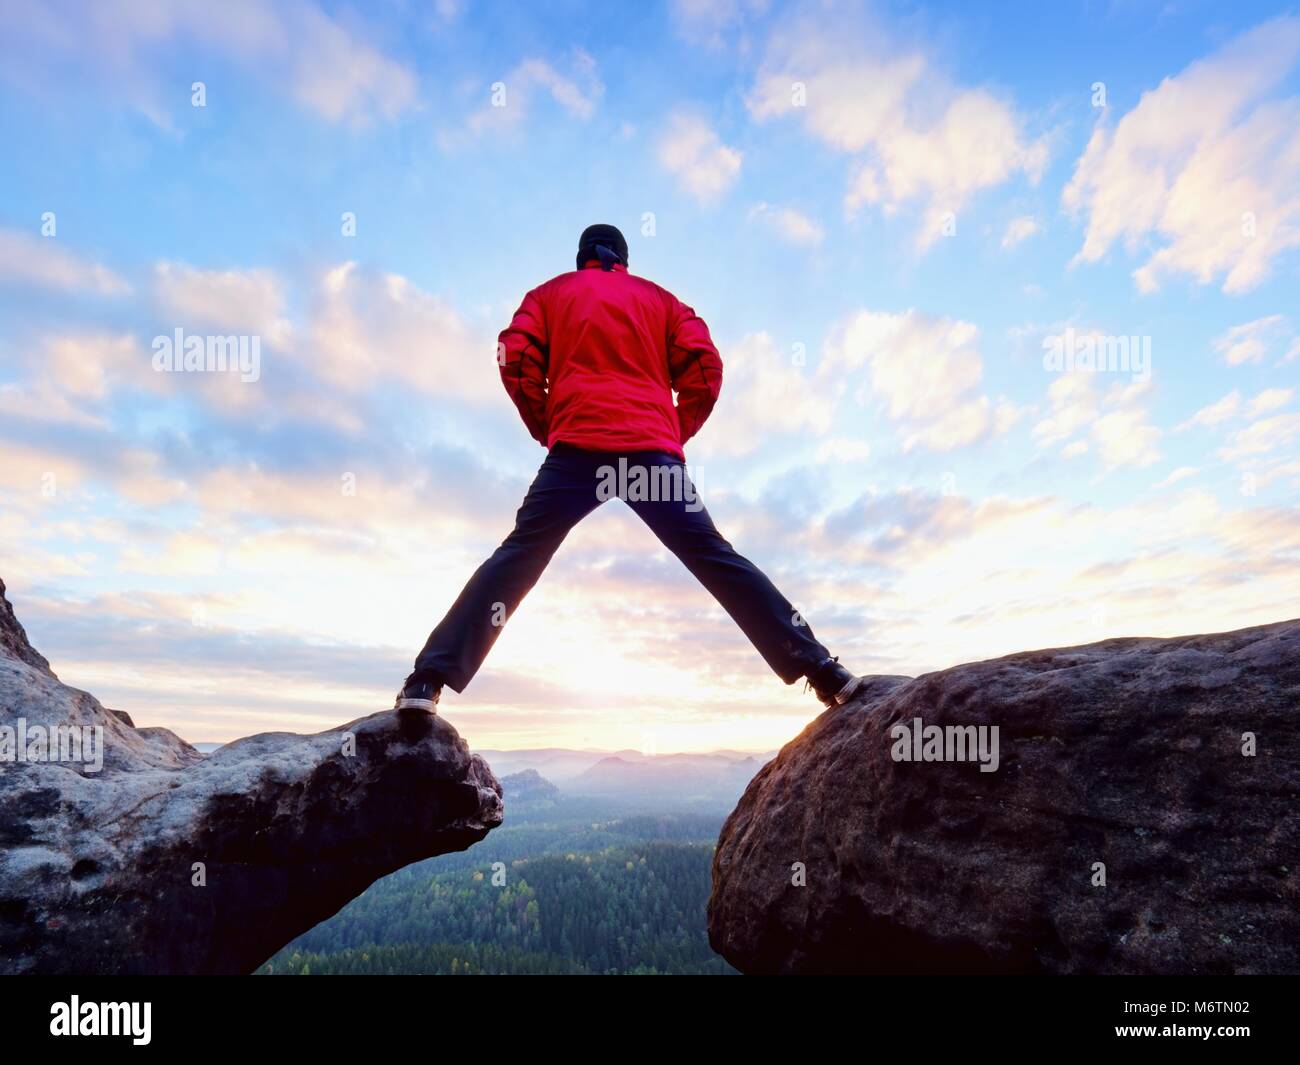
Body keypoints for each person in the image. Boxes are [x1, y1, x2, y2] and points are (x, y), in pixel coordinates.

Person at [395, 224, 862, 714]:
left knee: (518, 559)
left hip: (576, 450)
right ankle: (822, 669)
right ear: (623, 258)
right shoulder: (660, 300)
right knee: (716, 559)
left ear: (581, 257)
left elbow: (515, 354)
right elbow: (706, 367)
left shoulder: (550, 294)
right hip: (650, 455)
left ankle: (427, 682)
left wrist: (546, 423)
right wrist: (671, 431)